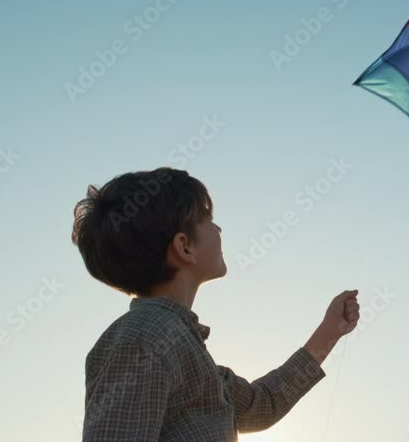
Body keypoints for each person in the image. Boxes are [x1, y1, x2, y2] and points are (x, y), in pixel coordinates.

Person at [71, 167, 359, 441]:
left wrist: (329, 332)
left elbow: (262, 405)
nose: (218, 227)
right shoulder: (144, 337)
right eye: (207, 218)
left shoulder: (180, 342)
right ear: (185, 247)